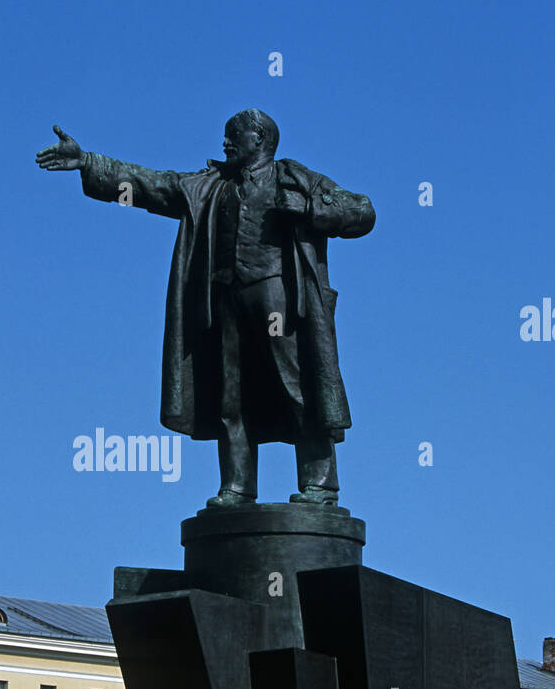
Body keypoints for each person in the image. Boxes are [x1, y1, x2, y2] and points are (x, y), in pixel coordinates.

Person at [36, 111, 375, 507]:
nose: (225, 142)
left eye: (234, 135)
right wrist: (88, 162)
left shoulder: (294, 178)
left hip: (278, 299)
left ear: (260, 138)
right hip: (226, 299)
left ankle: (320, 483)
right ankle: (237, 486)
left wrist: (310, 208)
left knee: (297, 387)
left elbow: (362, 212)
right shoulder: (210, 186)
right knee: (232, 398)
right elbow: (153, 185)